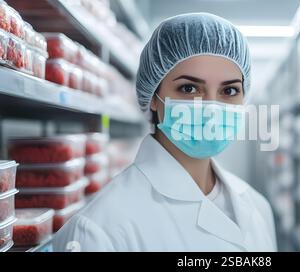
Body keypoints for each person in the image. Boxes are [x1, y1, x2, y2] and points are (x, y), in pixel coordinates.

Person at [53, 12, 277, 252]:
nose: (211, 108)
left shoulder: (258, 207)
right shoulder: (98, 230)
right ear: (153, 98)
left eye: (230, 91)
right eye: (189, 88)